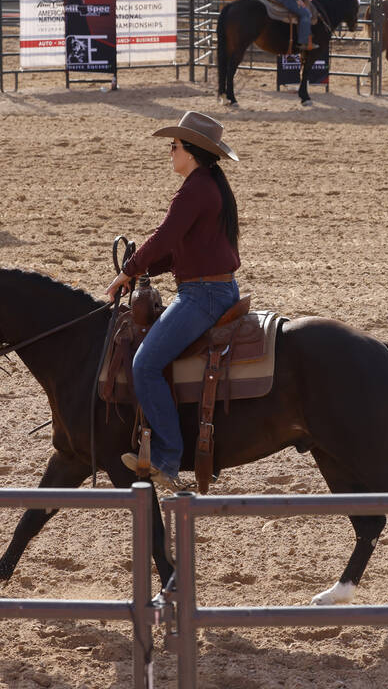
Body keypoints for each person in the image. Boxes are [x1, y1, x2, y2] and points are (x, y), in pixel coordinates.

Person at [106, 111, 241, 492]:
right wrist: (144, 270)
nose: (170, 151)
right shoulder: (209, 186)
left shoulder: (195, 191)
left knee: (145, 364)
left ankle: (166, 457)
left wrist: (128, 271)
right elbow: (182, 250)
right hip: (213, 289)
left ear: (191, 151)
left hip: (203, 295)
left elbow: (164, 237)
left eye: (174, 145)